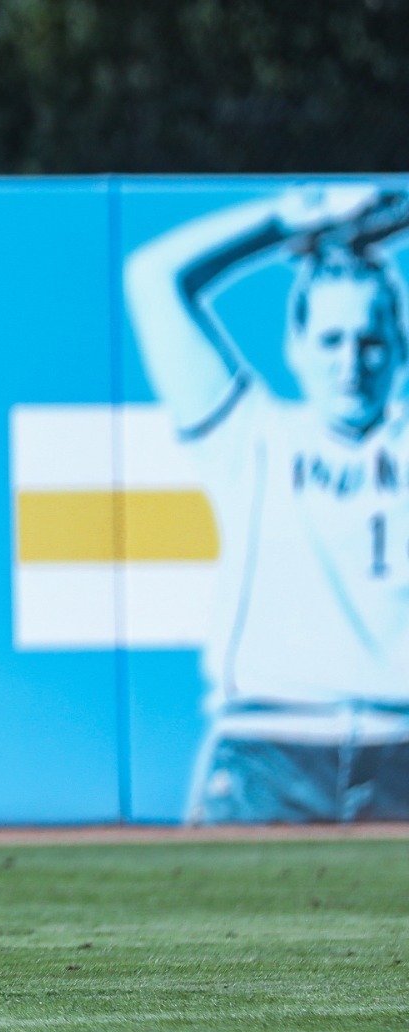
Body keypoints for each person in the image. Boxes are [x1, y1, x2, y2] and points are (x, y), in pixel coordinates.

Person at [124, 186, 409, 823]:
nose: (350, 363)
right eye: (331, 340)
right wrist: (285, 217)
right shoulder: (248, 434)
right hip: (267, 754)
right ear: (295, 346)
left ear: (401, 348)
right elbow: (152, 278)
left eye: (370, 342)